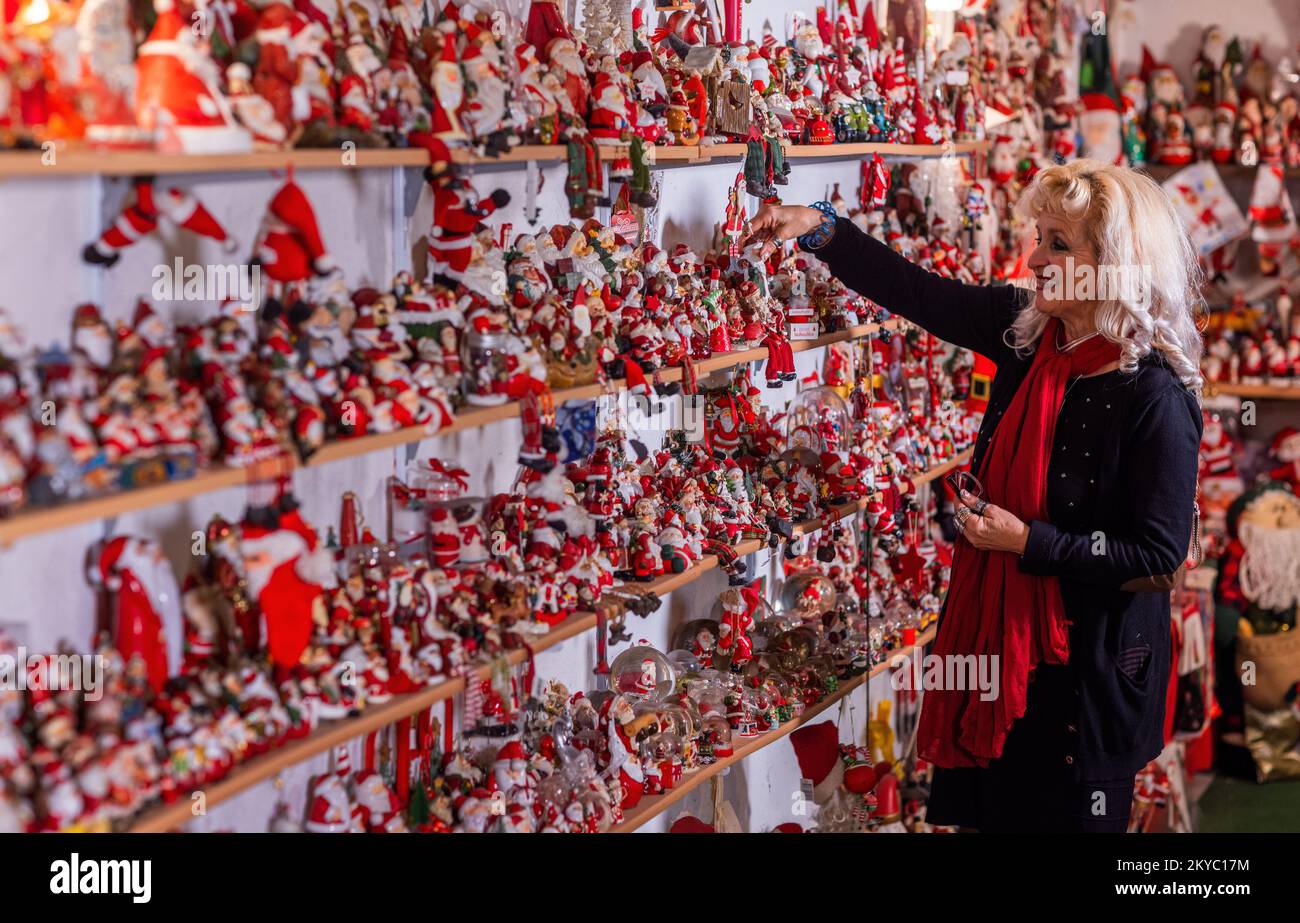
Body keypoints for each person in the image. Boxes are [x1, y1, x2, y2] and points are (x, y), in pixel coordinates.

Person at [744, 159, 1203, 832]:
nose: (1034, 257)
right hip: (995, 658)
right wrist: (821, 227)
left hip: (1083, 684)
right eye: (1037, 236)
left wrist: (1028, 542)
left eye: (1056, 243)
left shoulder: (1154, 394)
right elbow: (917, 292)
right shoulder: (1026, 333)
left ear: (1113, 262)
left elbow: (1159, 554)